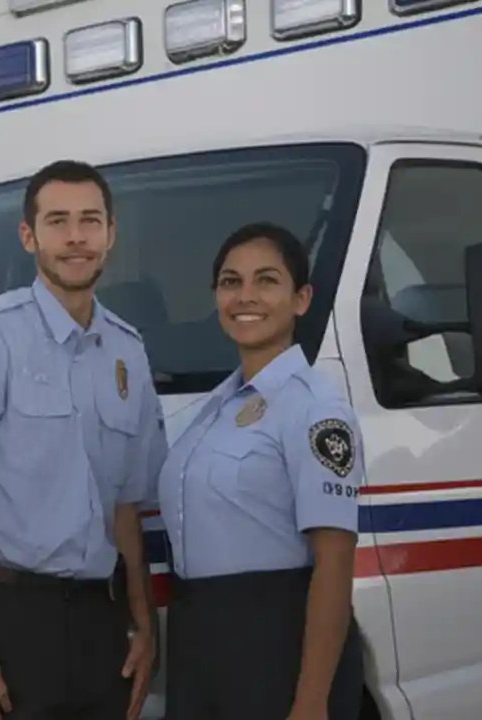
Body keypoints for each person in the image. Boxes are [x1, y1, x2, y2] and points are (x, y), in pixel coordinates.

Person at [0, 160, 168, 720]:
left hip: (103, 623)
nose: (75, 237)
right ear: (29, 236)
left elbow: (127, 509)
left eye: (89, 221)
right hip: (10, 624)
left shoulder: (129, 352)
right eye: (57, 221)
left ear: (110, 233)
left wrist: (143, 626)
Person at [157, 222, 365, 720]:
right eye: (231, 282)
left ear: (301, 298)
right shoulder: (214, 408)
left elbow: (334, 564)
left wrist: (312, 700)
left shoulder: (316, 409)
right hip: (199, 644)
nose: (245, 296)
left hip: (277, 644)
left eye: (267, 280)